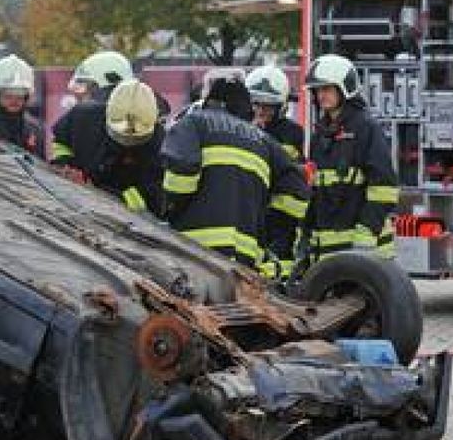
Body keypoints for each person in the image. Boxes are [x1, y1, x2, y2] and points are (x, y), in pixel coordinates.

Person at [161, 70, 309, 279]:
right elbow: (298, 192)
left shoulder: (192, 122)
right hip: (245, 254)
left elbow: (182, 171)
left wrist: (171, 209)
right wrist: (266, 222)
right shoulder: (264, 140)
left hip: (194, 248)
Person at [303, 54, 399, 261]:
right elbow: (316, 191)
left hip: (365, 247)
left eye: (327, 89)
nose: (321, 95)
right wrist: (306, 234)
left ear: (344, 88)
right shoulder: (319, 134)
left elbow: (385, 188)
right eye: (318, 90)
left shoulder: (365, 128)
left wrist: (366, 232)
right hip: (328, 251)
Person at [49, 79, 166, 217]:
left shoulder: (162, 145)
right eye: (120, 135)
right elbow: (61, 141)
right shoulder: (83, 117)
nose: (127, 142)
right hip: (72, 201)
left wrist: (109, 197)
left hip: (124, 217)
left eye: (136, 138)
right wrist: (65, 164)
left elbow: (154, 196)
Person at [246, 65, 305, 271]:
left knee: (281, 257)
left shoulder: (295, 135)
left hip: (283, 212)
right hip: (251, 207)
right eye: (256, 104)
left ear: (281, 106)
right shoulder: (242, 130)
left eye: (268, 106)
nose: (261, 111)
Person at [0, 54, 45, 158]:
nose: (14, 100)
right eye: (8, 95)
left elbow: (42, 168)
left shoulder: (34, 130)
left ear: (27, 96)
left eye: (20, 95)